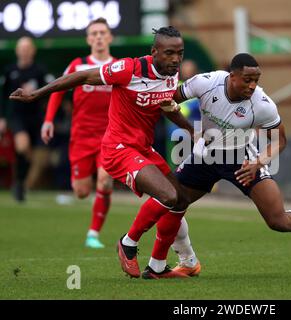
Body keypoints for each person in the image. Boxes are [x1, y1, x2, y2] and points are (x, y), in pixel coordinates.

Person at [9, 26, 195, 279]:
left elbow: (166, 106)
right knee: (168, 196)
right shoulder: (129, 68)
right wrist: (36, 94)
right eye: (169, 53)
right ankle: (128, 243)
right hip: (119, 148)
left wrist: (191, 129)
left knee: (180, 200)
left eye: (180, 53)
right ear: (154, 52)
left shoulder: (171, 75)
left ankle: (157, 268)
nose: (175, 59)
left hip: (142, 147)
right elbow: (82, 76)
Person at [146, 53, 291, 278]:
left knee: (277, 221)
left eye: (256, 80)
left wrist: (258, 163)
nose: (253, 85)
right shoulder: (207, 82)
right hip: (205, 155)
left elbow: (280, 140)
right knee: (171, 203)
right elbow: (168, 101)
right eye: (247, 80)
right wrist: (191, 129)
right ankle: (188, 261)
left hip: (242, 159)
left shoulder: (262, 104)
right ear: (232, 77)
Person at [40, 18, 116, 249]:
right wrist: (48, 120)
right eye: (94, 33)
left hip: (109, 136)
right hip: (81, 136)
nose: (99, 37)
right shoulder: (78, 65)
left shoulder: (119, 67)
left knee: (104, 180)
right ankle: (90, 197)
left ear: (110, 37)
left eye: (103, 32)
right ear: (88, 39)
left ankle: (93, 233)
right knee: (81, 192)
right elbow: (57, 90)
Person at [0, 37, 52, 202]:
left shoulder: (40, 71)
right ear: (17, 50)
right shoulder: (10, 71)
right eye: (21, 48)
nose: (24, 51)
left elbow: (51, 93)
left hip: (36, 118)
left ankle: (21, 183)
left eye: (27, 48)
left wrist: (49, 116)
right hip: (17, 116)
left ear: (33, 50)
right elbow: (2, 96)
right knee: (22, 147)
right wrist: (2, 118)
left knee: (36, 156)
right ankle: (19, 182)